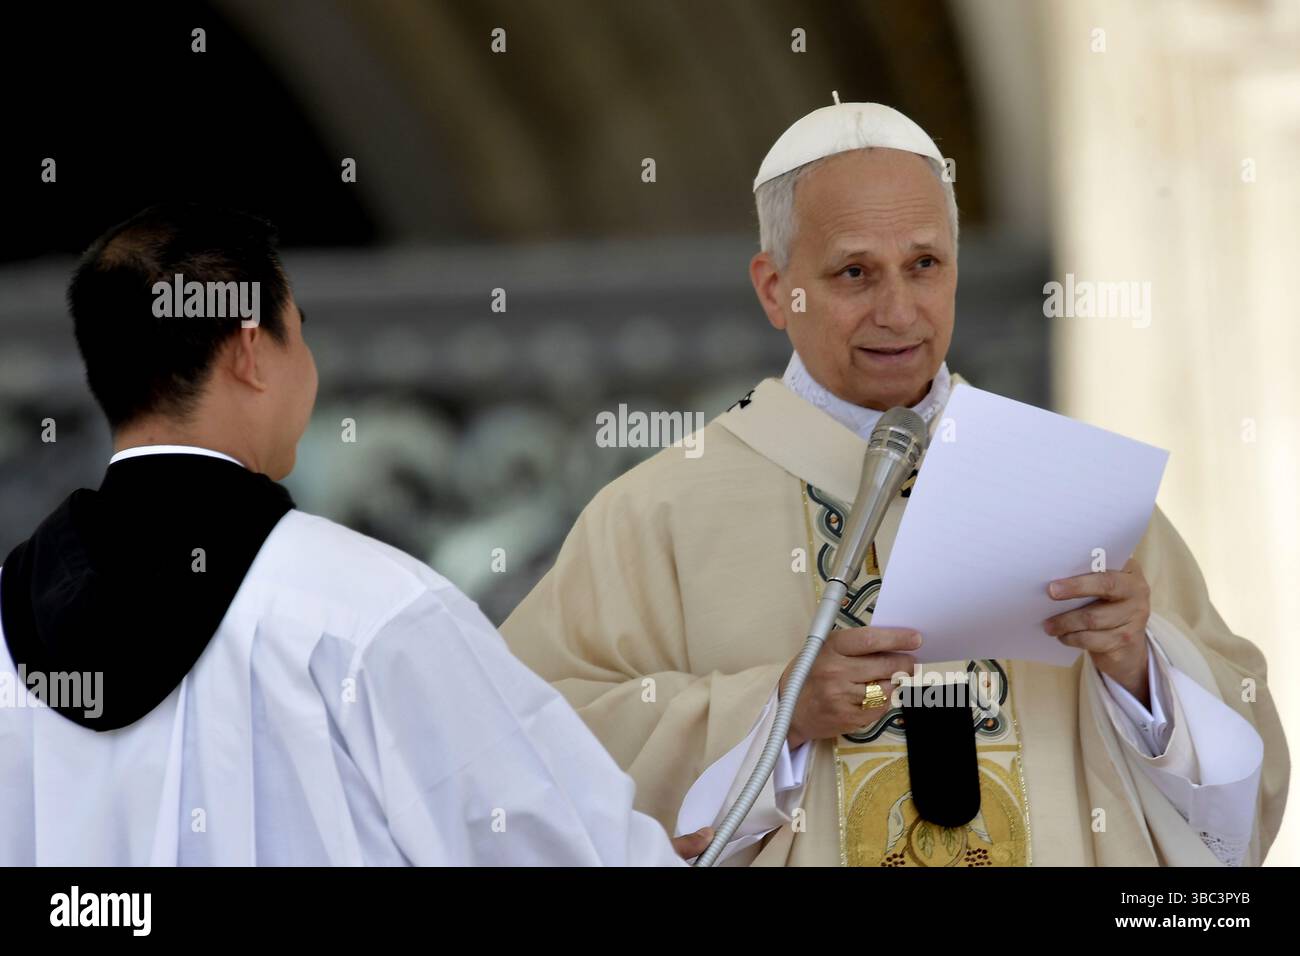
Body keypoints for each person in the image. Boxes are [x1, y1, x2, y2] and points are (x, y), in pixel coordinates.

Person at [500, 101, 1289, 866]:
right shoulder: (662, 510)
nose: (898, 310)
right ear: (776, 288)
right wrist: (779, 714)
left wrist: (1141, 672)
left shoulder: (1067, 486)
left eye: (924, 265)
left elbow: (1247, 773)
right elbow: (525, 747)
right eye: (854, 273)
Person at [0, 203, 702, 866]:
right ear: (249, 352)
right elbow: (548, 847)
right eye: (298, 333)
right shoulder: (370, 609)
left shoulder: (9, 611)